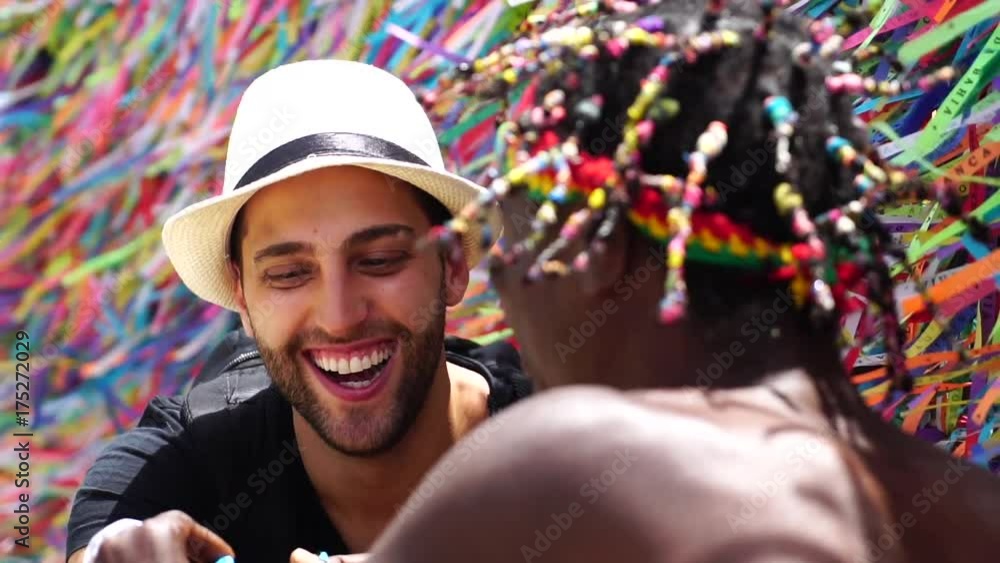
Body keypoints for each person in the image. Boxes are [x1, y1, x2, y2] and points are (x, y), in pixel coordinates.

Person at [299, 2, 998, 562]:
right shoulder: (975, 510)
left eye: (511, 226)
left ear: (599, 249)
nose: (502, 276)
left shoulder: (569, 457)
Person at [65, 59, 531, 563]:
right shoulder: (182, 462)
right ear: (240, 293)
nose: (338, 317)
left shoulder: (561, 435)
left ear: (454, 265)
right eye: (289, 274)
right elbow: (107, 543)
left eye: (378, 260)